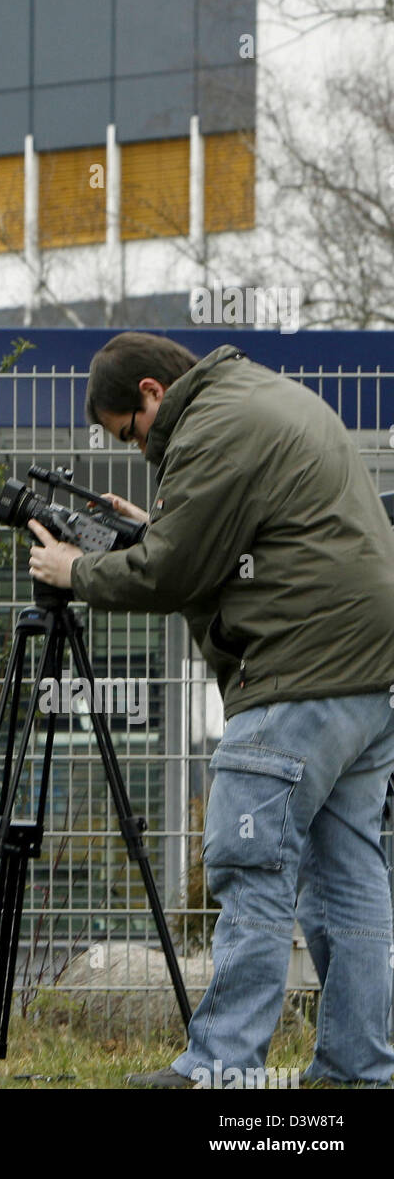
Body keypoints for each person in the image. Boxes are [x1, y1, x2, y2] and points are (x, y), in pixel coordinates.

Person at [26, 333, 394, 1088]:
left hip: (298, 669)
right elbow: (226, 536)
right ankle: (360, 1070)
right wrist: (155, 525)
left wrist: (78, 568)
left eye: (130, 433)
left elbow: (171, 571)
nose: (139, 450)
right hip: (369, 674)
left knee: (248, 861)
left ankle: (218, 1068)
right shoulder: (257, 396)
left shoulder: (213, 430)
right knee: (347, 874)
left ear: (153, 394)